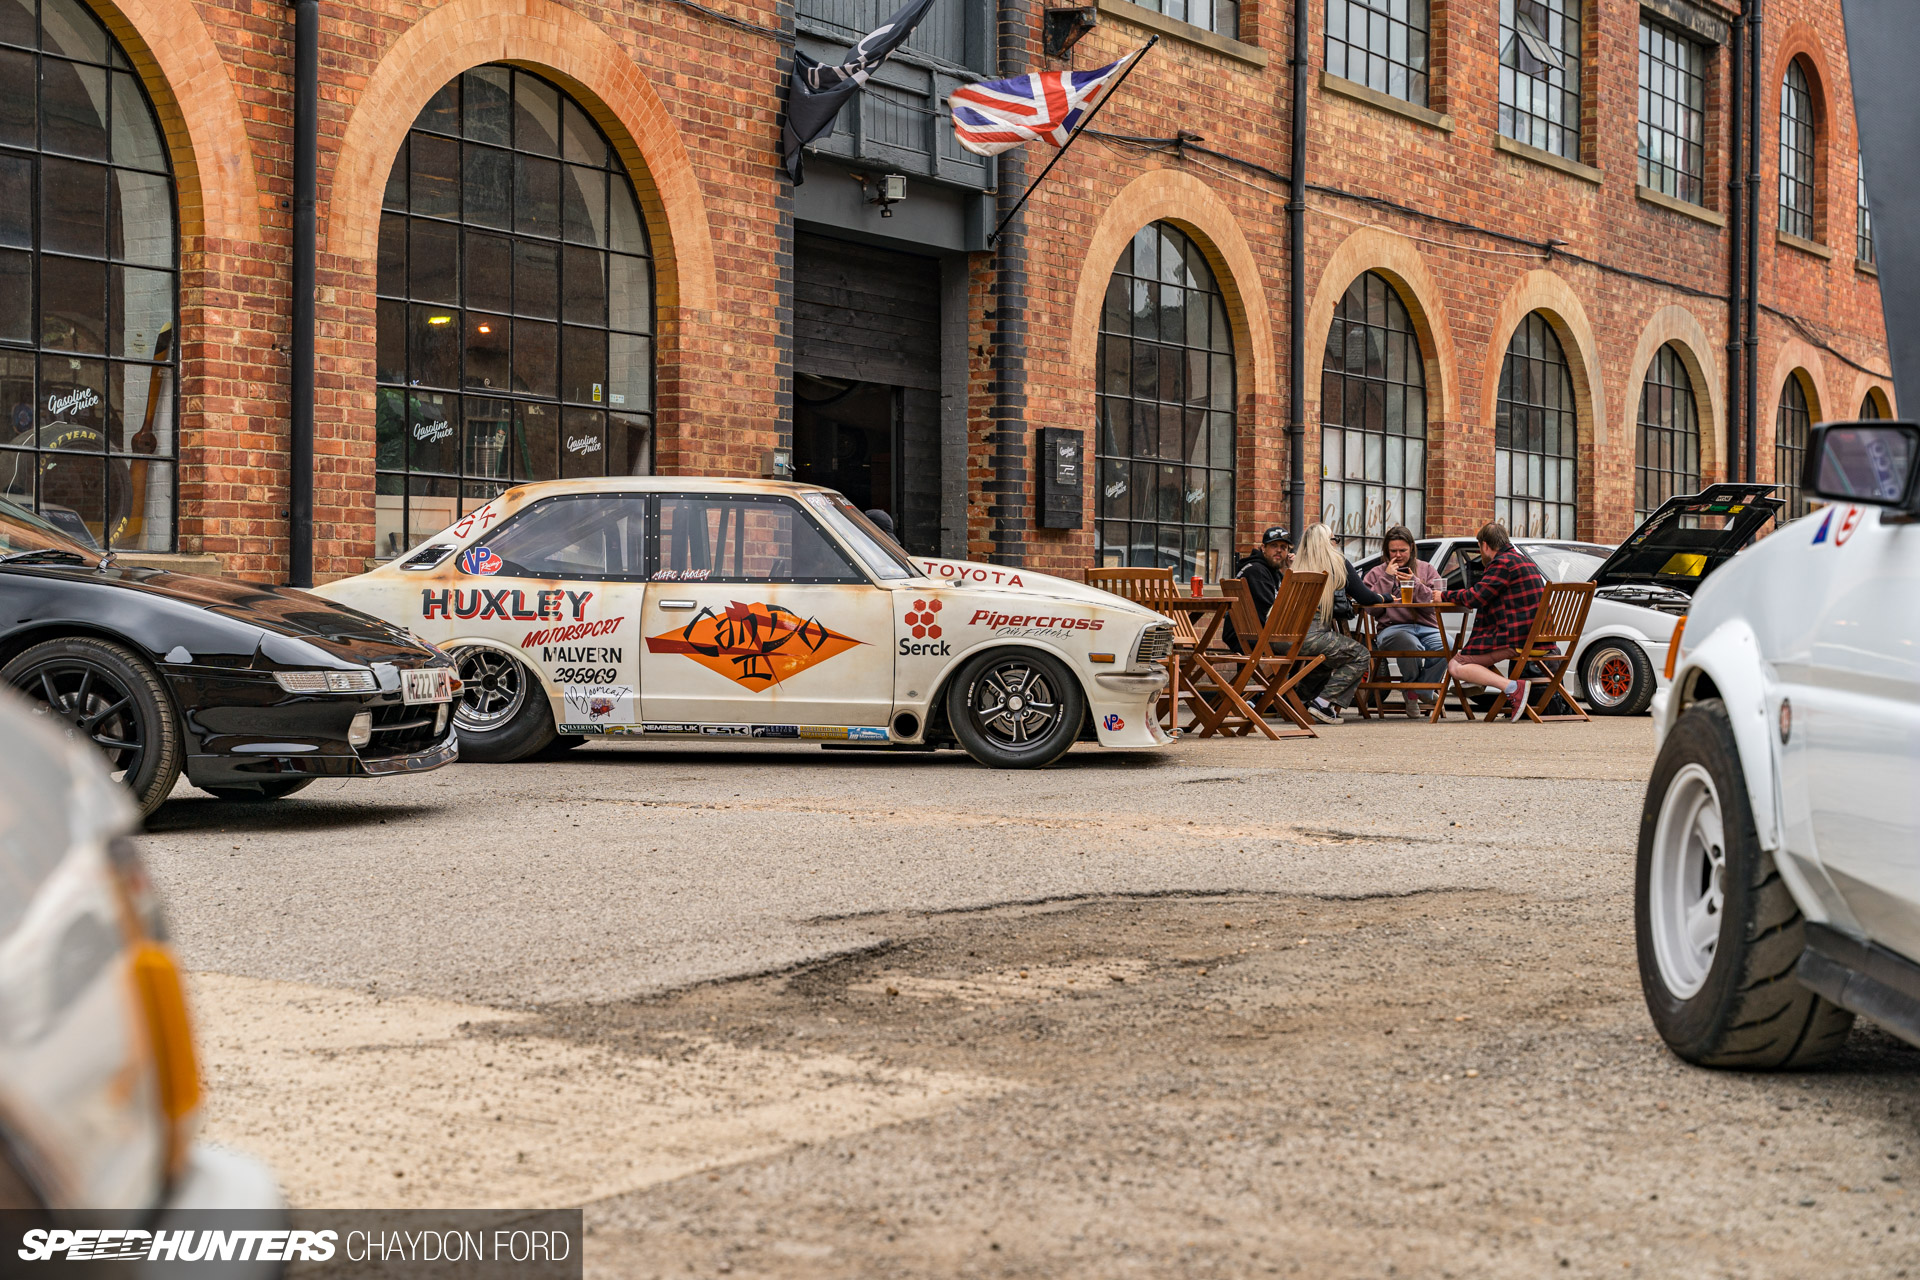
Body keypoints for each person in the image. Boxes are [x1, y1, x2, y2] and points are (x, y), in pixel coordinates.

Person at [1443, 522, 1551, 723]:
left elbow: (1476, 597)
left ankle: (1512, 687)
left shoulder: (1501, 563)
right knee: (1472, 662)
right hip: (1538, 639)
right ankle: (1478, 682)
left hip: (1517, 640)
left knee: (1456, 665)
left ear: (1484, 545)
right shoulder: (1524, 560)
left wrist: (1442, 595)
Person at [1288, 523, 1389, 725]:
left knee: (1327, 658)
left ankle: (1297, 703)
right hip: (1311, 637)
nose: (1336, 544)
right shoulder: (1337, 562)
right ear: (1328, 543)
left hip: (1280, 638)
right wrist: (1385, 598)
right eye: (1334, 539)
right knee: (1361, 655)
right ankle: (1322, 704)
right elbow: (1365, 597)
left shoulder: (1296, 566)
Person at [1362, 525, 1447, 717]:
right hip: (1392, 628)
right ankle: (1419, 690)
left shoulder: (1427, 569)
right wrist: (1387, 577)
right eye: (1393, 551)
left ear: (1411, 549)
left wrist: (1415, 582)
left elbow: (1435, 600)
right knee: (1409, 644)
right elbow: (1368, 607)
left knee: (1447, 645)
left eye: (1403, 550)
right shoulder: (1376, 573)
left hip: (1426, 626)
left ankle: (1416, 691)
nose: (1398, 555)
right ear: (1386, 551)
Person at [1232, 525, 1293, 620]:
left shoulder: (1274, 573)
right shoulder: (1256, 571)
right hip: (1250, 633)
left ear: (1288, 552)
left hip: (1260, 630)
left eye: (1283, 547)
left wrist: (1292, 569)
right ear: (1263, 548)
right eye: (1274, 545)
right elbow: (1273, 613)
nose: (1279, 550)